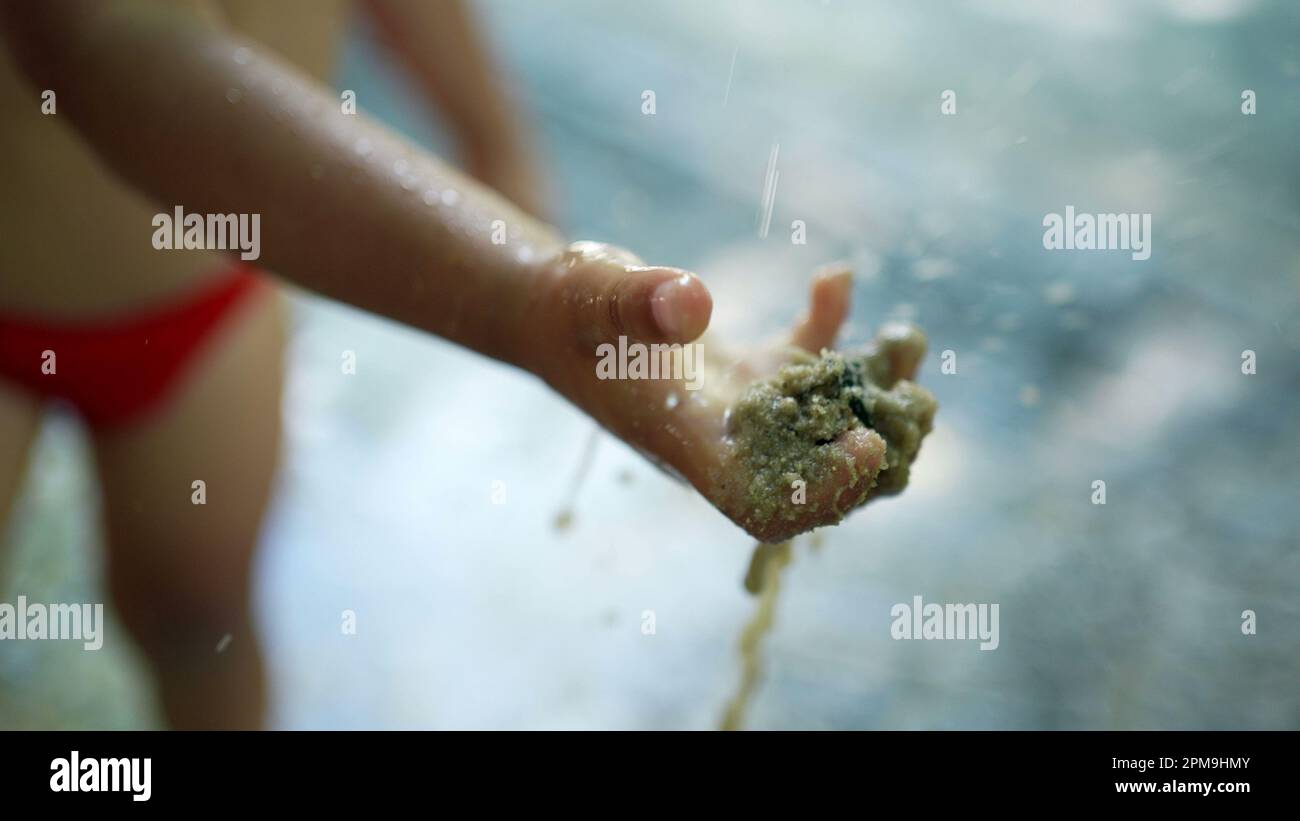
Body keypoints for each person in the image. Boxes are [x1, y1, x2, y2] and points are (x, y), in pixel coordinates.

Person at [0, 0, 897, 728]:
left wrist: (494, 140)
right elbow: (100, 38)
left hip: (213, 304)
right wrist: (521, 293)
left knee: (199, 621)